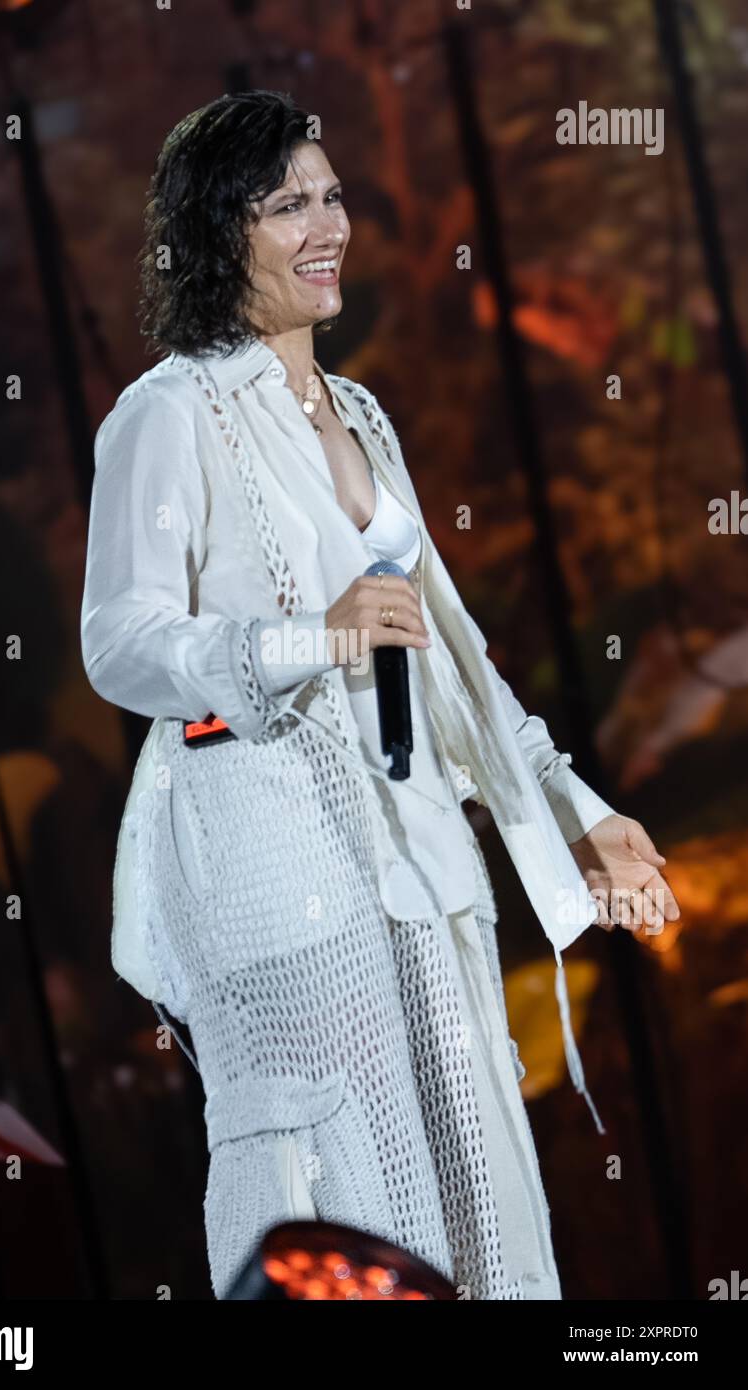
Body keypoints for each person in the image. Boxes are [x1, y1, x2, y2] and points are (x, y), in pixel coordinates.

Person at [80, 89, 680, 1300]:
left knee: (474, 1199)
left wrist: (576, 811)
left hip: (416, 869)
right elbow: (119, 644)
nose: (326, 225)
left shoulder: (358, 415)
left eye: (332, 195)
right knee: (344, 1209)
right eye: (284, 204)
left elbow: (449, 659)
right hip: (278, 894)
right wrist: (309, 639)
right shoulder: (166, 414)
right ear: (216, 236)